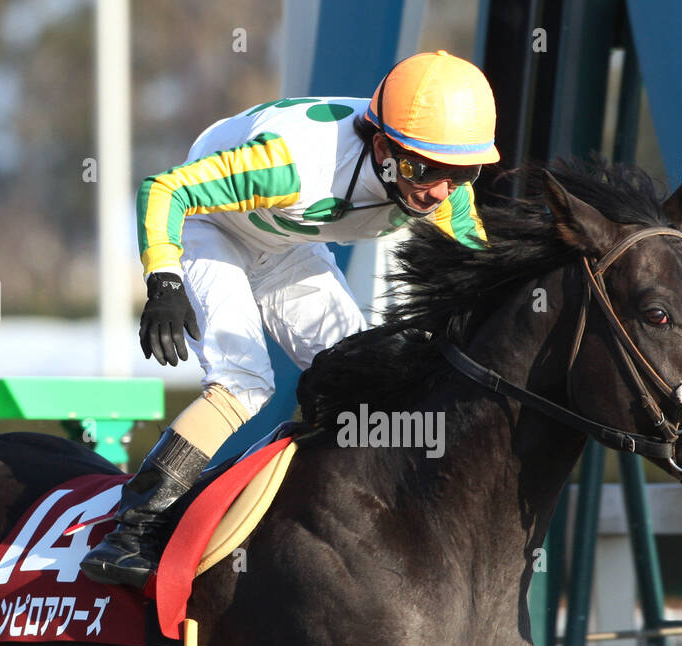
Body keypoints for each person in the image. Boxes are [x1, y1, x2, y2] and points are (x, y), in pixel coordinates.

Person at [81, 50, 502, 589]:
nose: (441, 190)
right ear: (382, 147)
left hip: (287, 245)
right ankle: (132, 531)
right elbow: (166, 189)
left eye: (461, 173)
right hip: (211, 227)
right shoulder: (291, 166)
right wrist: (162, 281)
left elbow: (490, 280)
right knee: (245, 382)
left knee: (367, 378)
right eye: (424, 170)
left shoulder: (443, 192)